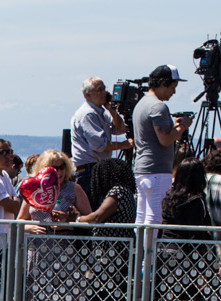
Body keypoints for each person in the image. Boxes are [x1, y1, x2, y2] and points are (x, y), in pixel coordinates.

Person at [131, 64, 183, 225]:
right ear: (163, 84)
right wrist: (182, 127)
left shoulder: (141, 104)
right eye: (173, 87)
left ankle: (140, 249)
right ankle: (149, 250)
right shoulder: (158, 106)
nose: (173, 92)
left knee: (141, 216)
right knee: (155, 217)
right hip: (157, 169)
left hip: (142, 168)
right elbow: (165, 139)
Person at [70, 78, 130, 173]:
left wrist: (112, 110)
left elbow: (121, 129)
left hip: (98, 167)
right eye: (99, 90)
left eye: (104, 89)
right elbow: (99, 145)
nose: (104, 93)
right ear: (88, 94)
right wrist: (124, 145)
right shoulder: (88, 114)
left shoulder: (101, 113)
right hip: (89, 168)